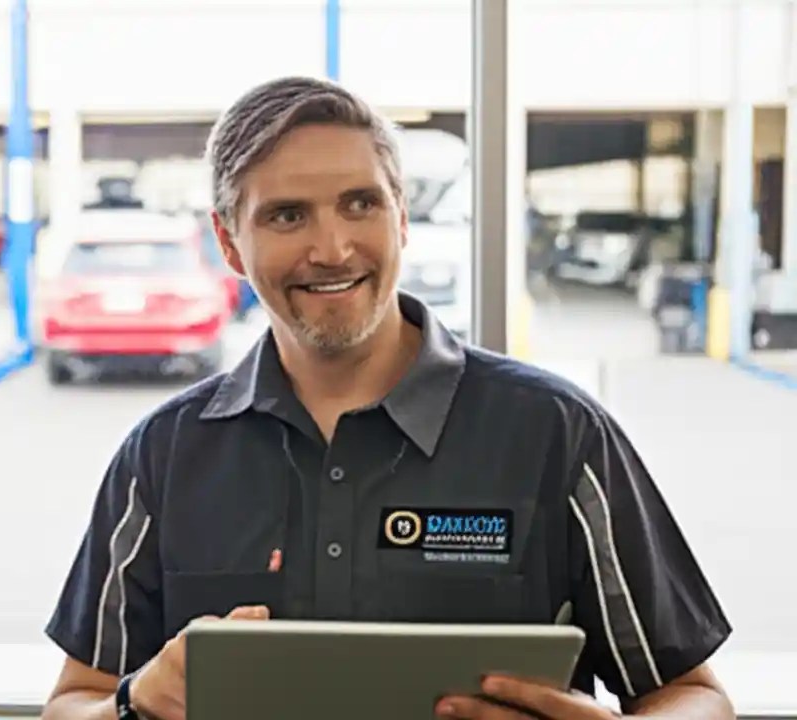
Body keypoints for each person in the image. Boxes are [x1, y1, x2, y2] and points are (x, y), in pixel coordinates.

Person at [41, 76, 734, 720]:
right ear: (229, 242)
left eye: (360, 204)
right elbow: (74, 701)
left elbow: (697, 695)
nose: (333, 248)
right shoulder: (166, 454)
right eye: (286, 216)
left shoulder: (557, 433)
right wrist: (133, 703)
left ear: (400, 215)